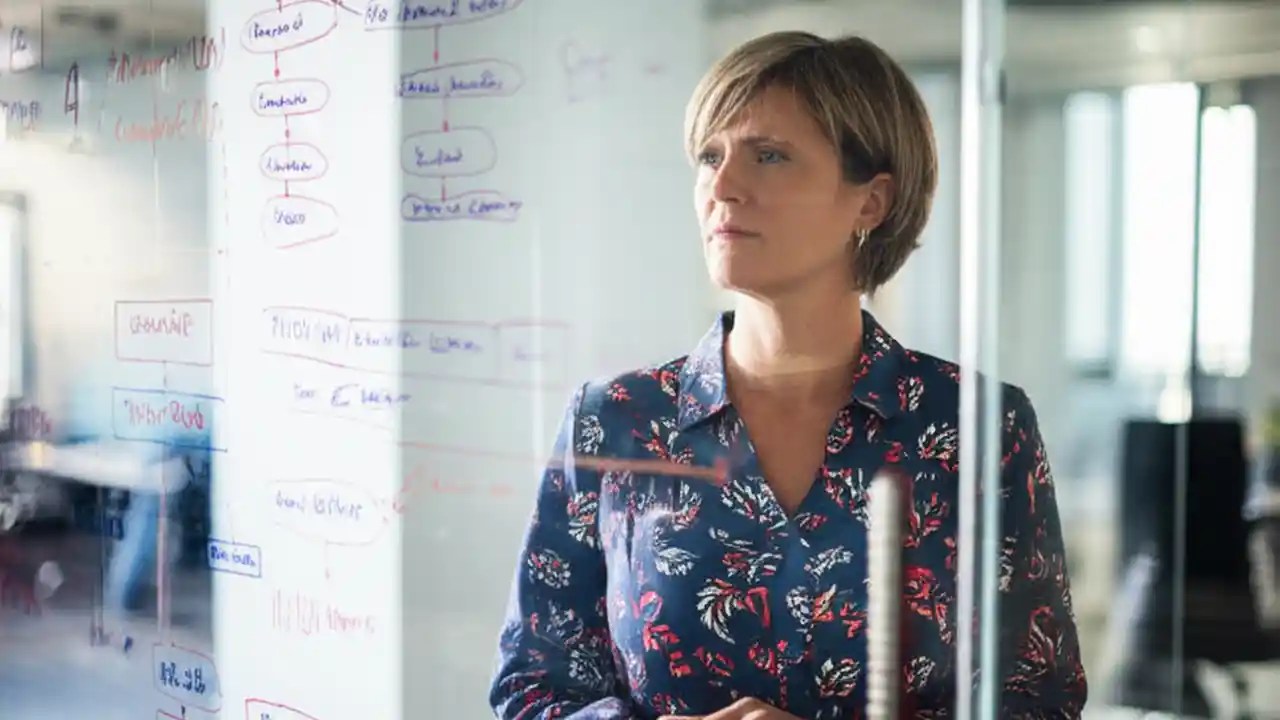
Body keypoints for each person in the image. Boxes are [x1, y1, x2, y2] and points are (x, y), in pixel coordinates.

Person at [490, 31, 1087, 719]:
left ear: (871, 202)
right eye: (709, 157)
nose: (722, 186)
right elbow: (533, 689)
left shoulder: (976, 427)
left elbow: (1039, 700)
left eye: (769, 156)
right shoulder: (616, 419)